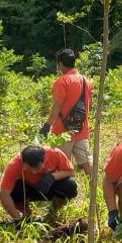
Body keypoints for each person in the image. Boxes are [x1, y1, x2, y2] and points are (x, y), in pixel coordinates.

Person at [39, 49, 94, 178]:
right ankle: (94, 186)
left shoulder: (62, 81)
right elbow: (89, 106)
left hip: (63, 131)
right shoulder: (86, 81)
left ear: (60, 64)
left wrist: (47, 126)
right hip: (81, 128)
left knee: (62, 164)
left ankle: (66, 189)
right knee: (87, 162)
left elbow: (57, 106)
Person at [0, 145, 79, 227]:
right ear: (23, 163)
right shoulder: (14, 165)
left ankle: (53, 212)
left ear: (45, 159)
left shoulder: (54, 153)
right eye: (29, 169)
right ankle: (25, 216)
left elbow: (71, 172)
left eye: (38, 168)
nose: (34, 173)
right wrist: (17, 218)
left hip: (50, 187)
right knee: (14, 190)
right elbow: (4, 195)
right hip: (30, 190)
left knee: (70, 185)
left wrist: (52, 177)